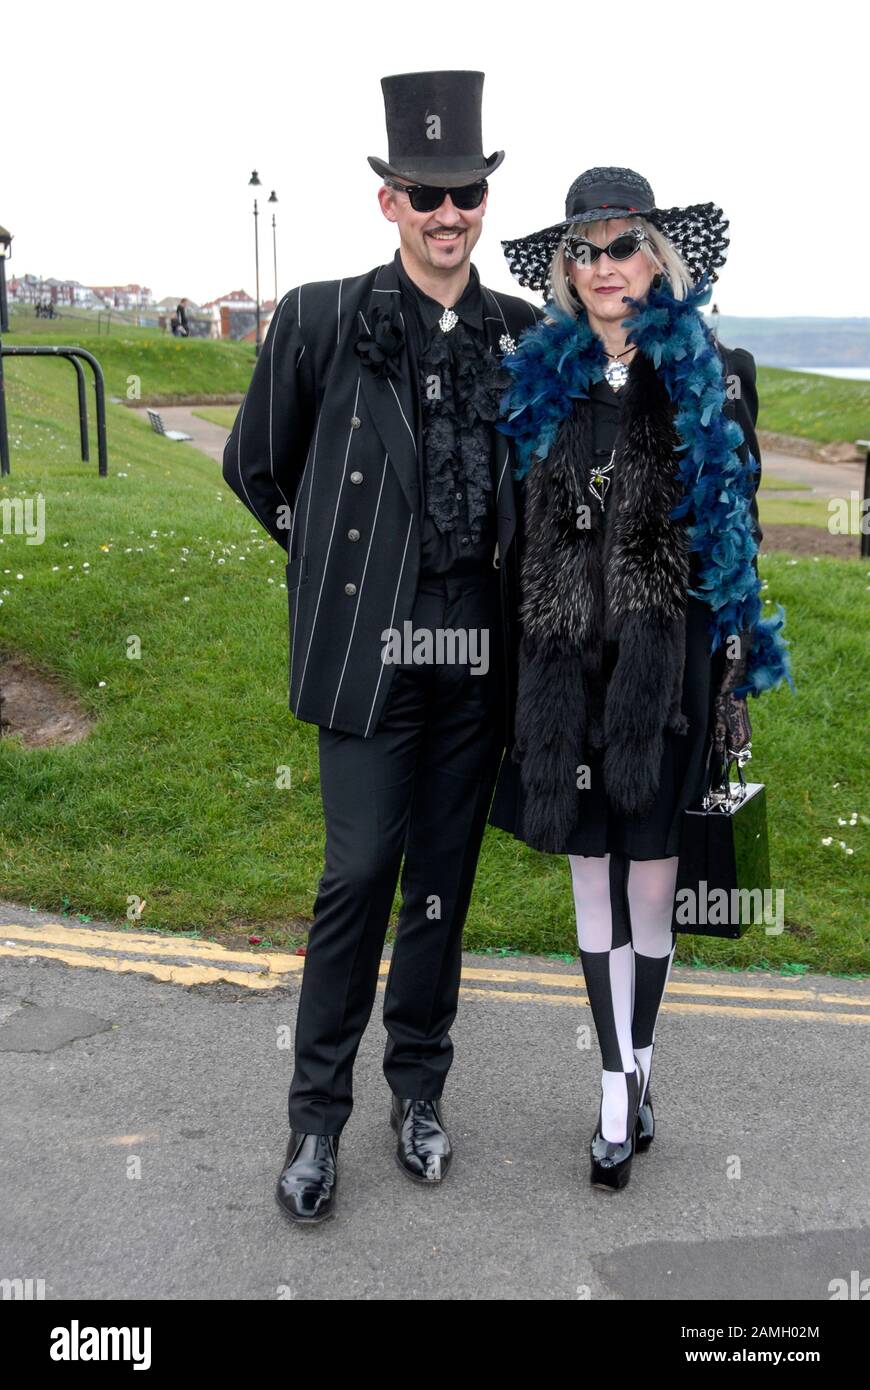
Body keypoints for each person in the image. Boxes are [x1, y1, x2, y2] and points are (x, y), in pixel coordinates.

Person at [222, 70, 541, 1224]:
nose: (448, 215)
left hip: (473, 656)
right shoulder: (318, 318)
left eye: (465, 195)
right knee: (359, 876)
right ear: (388, 202)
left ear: (482, 201)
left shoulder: (524, 331)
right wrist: (332, 575)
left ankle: (420, 1090)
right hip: (372, 658)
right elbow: (256, 468)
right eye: (425, 194)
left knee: (443, 889)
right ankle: (316, 1121)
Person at [489, 167, 792, 1192]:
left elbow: (735, 537)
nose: (603, 265)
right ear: (565, 270)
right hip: (567, 669)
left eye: (622, 245)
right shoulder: (541, 379)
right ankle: (615, 1091)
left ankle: (643, 1057)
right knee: (590, 879)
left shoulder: (712, 370)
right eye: (584, 248)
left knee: (652, 884)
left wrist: (729, 675)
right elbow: (517, 533)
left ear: (656, 257)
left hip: (667, 671)